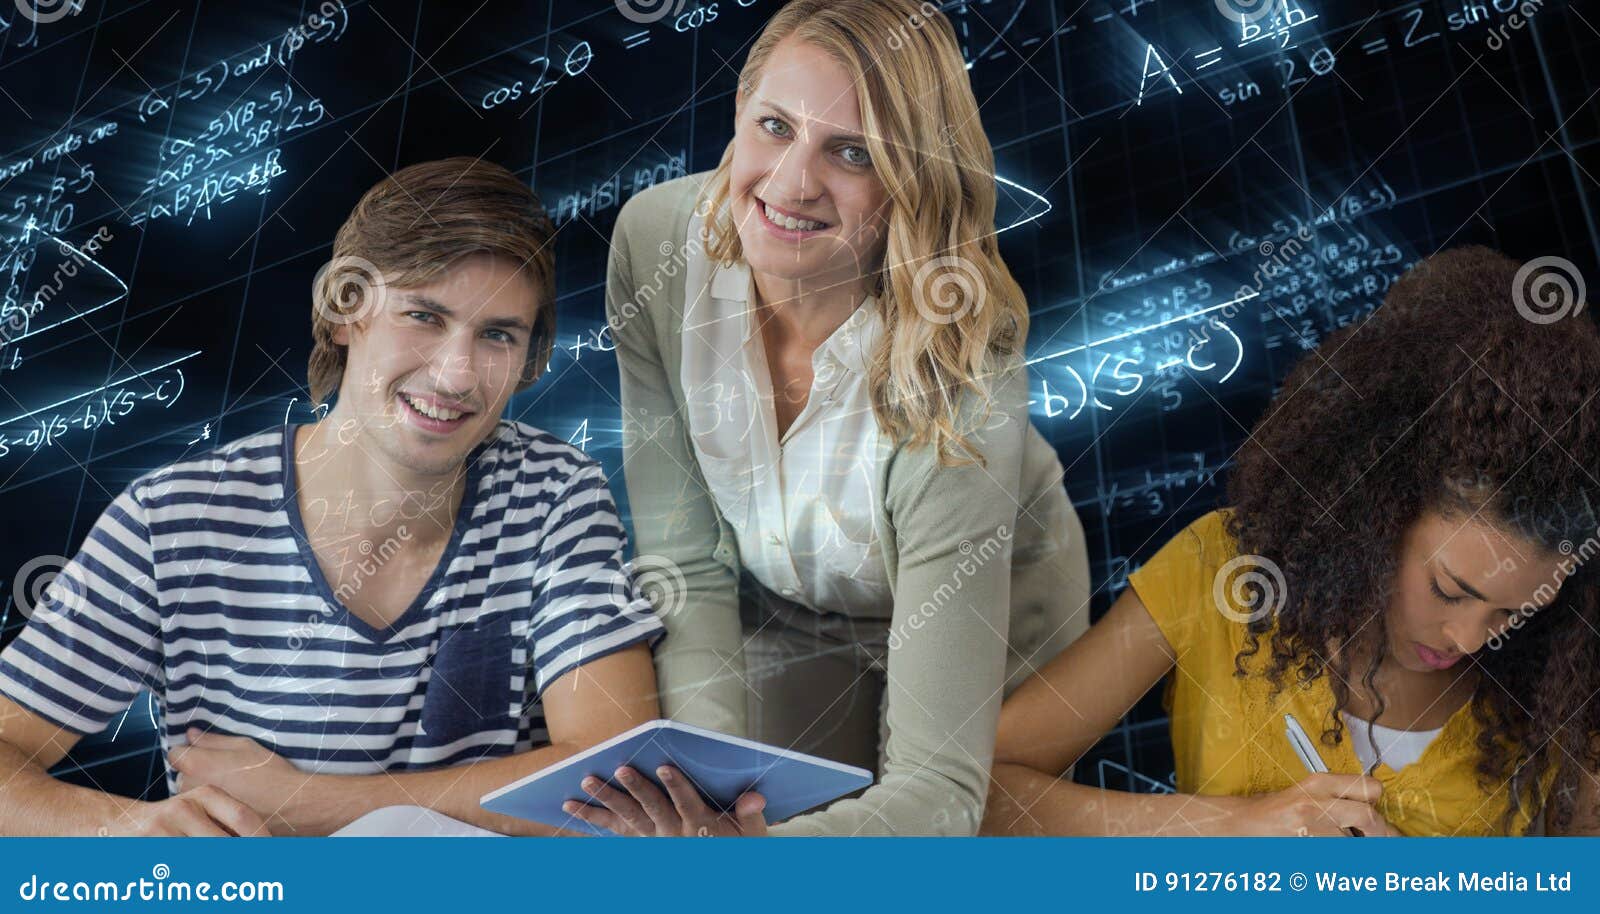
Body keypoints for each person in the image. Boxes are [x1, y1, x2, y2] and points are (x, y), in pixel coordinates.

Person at [0, 158, 664, 836]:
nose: (457, 372)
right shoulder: (171, 521)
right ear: (347, 310)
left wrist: (309, 799)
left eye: (497, 334)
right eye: (423, 315)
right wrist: (124, 829)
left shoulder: (555, 493)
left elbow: (616, 775)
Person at [575, 0, 1092, 837]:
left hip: (991, 607)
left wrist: (744, 865)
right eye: (774, 127)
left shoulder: (965, 371)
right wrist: (701, 794)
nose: (791, 183)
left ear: (910, 183)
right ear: (737, 118)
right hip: (792, 608)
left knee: (957, 848)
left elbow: (940, 790)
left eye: (851, 152)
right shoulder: (655, 247)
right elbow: (688, 563)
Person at [981, 246, 1600, 837]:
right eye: (1449, 589)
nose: (1468, 640)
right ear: (1380, 505)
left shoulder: (1569, 685)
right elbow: (975, 793)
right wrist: (1226, 828)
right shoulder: (1221, 571)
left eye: (1516, 610)